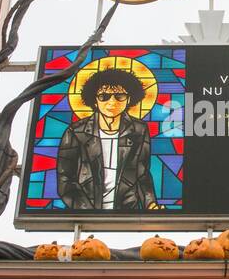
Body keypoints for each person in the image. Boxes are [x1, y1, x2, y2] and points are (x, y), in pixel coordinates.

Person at [56, 67, 159, 211]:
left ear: (129, 98)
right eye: (104, 96)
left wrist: (150, 203)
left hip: (128, 210)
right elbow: (65, 179)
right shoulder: (76, 132)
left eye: (119, 96)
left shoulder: (139, 130)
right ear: (94, 100)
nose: (112, 102)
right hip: (86, 206)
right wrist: (86, 211)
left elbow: (142, 173)